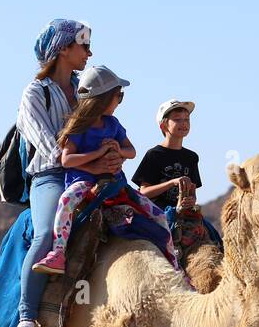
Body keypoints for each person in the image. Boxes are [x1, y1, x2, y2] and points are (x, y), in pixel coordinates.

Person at [10, 19, 122, 327]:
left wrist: (113, 156)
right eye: (84, 46)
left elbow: (110, 127)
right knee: (46, 233)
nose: (90, 52)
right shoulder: (35, 94)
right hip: (52, 177)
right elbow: (52, 151)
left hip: (96, 174)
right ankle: (26, 319)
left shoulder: (87, 86)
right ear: (63, 49)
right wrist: (97, 159)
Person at [31, 65, 172, 276]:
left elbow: (131, 151)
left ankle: (173, 263)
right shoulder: (78, 126)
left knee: (159, 215)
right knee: (67, 201)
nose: (119, 101)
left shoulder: (113, 124)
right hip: (84, 181)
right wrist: (99, 153)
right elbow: (67, 159)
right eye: (119, 96)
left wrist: (118, 149)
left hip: (115, 184)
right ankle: (58, 253)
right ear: (103, 98)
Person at [130, 99, 203, 211]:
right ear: (163, 126)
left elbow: (192, 192)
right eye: (177, 119)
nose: (184, 123)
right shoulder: (154, 154)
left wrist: (191, 199)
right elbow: (143, 192)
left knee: (209, 228)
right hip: (157, 212)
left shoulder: (192, 157)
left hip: (182, 212)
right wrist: (171, 183)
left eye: (187, 119)